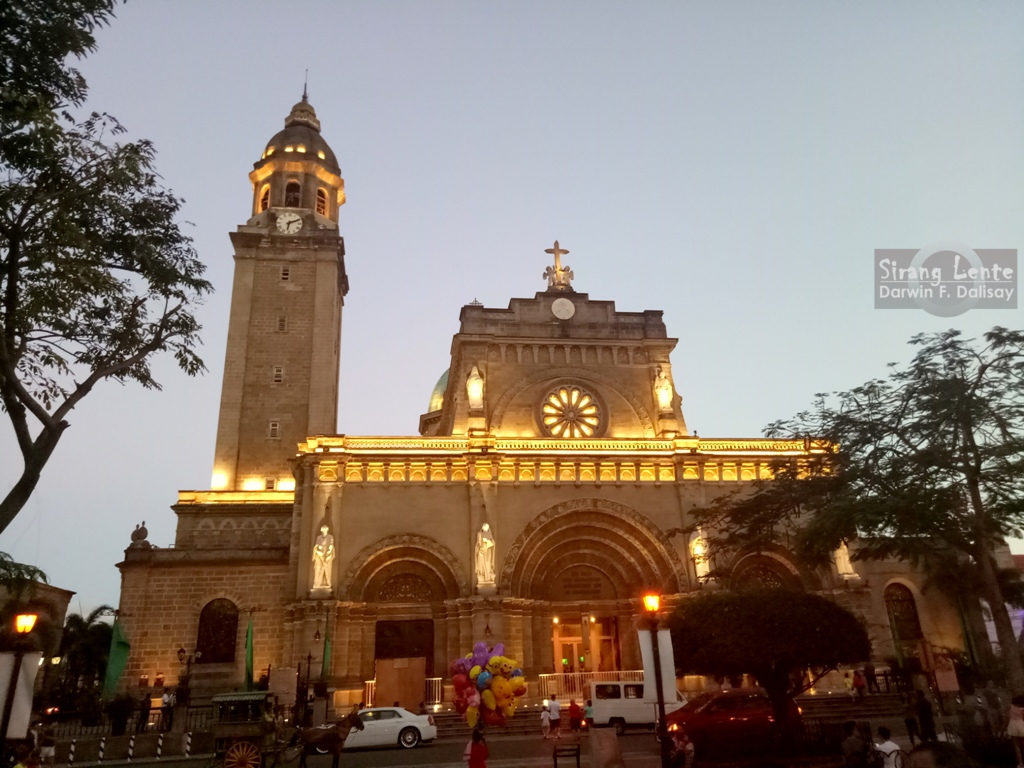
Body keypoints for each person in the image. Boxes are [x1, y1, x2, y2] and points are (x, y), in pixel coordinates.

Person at [312, 523, 335, 589]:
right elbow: (316, 546)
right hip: (319, 555)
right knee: (318, 568)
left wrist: (328, 552)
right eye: (323, 529)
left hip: (327, 555)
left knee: (327, 569)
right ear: (321, 530)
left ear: (327, 530)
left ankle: (327, 582)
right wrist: (319, 551)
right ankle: (317, 583)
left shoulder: (330, 537)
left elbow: (331, 545)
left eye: (325, 529)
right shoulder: (319, 537)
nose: (324, 530)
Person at [1007, 694, 1024, 767]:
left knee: (1016, 746)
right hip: (1020, 725)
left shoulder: (1011, 707)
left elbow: (1007, 716)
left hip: (1012, 725)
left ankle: (1020, 763)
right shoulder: (1023, 709)